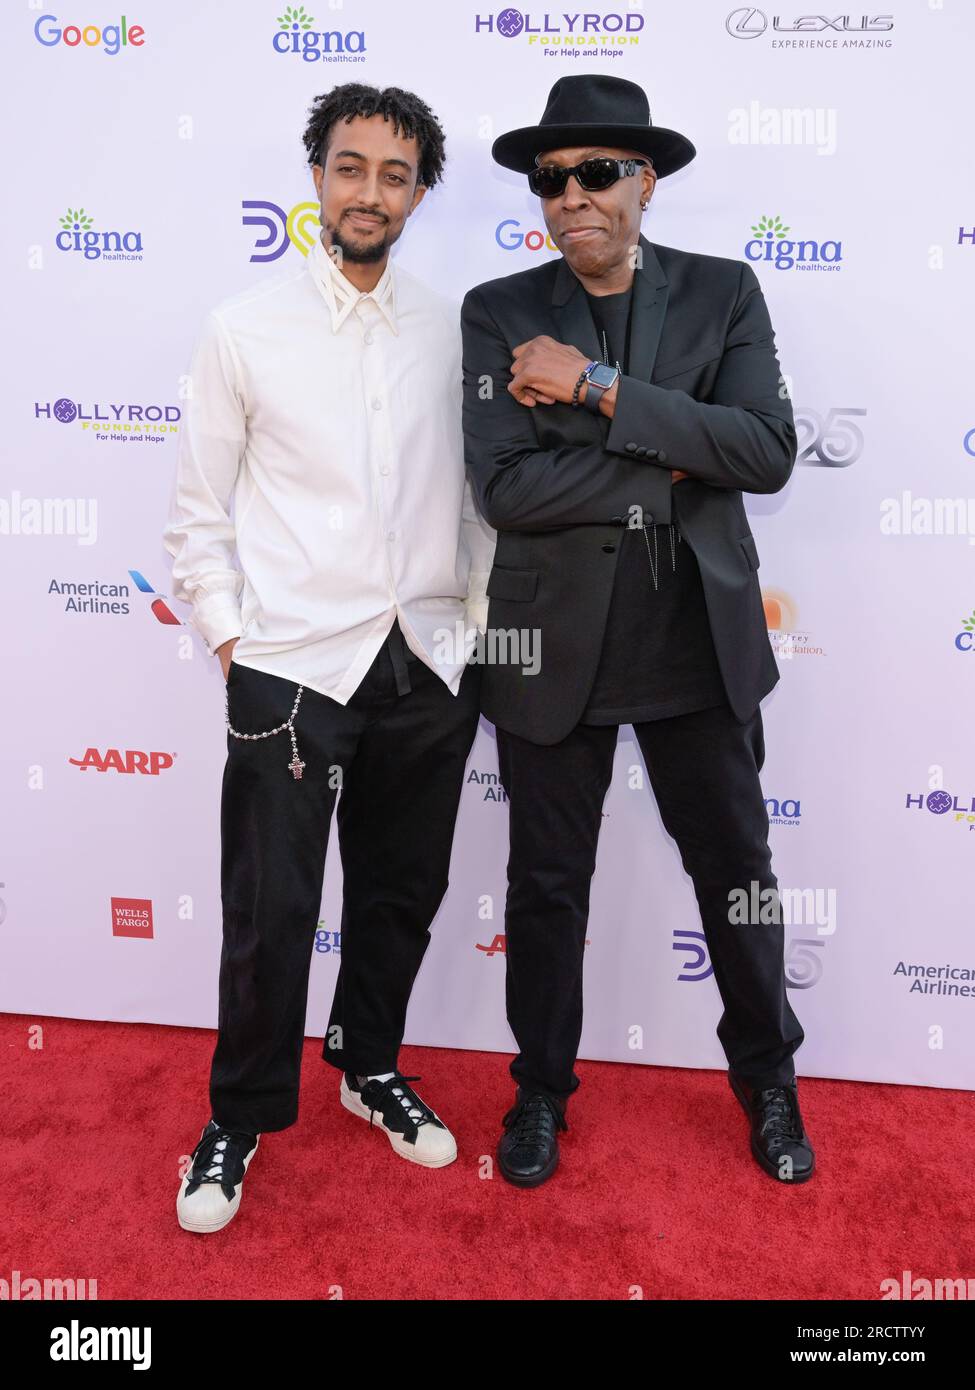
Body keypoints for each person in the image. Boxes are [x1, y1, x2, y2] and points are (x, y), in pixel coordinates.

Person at [461, 74, 814, 1189]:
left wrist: (598, 388)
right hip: (548, 648)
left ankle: (768, 1079)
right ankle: (540, 1092)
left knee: (738, 876)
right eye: (552, 178)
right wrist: (671, 462)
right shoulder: (500, 310)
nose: (574, 196)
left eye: (598, 172)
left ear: (644, 182)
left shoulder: (725, 294)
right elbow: (507, 490)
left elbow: (761, 453)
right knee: (545, 885)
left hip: (697, 645)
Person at [164, 82, 495, 1233]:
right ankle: (239, 1115)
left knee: (403, 892)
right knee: (270, 907)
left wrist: (474, 631)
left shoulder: (457, 329)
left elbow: (482, 503)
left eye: (394, 174)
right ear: (316, 177)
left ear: (418, 193)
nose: (369, 191)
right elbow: (197, 517)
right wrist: (231, 640)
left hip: (427, 660)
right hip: (292, 666)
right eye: (350, 166)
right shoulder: (243, 329)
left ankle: (368, 1063)